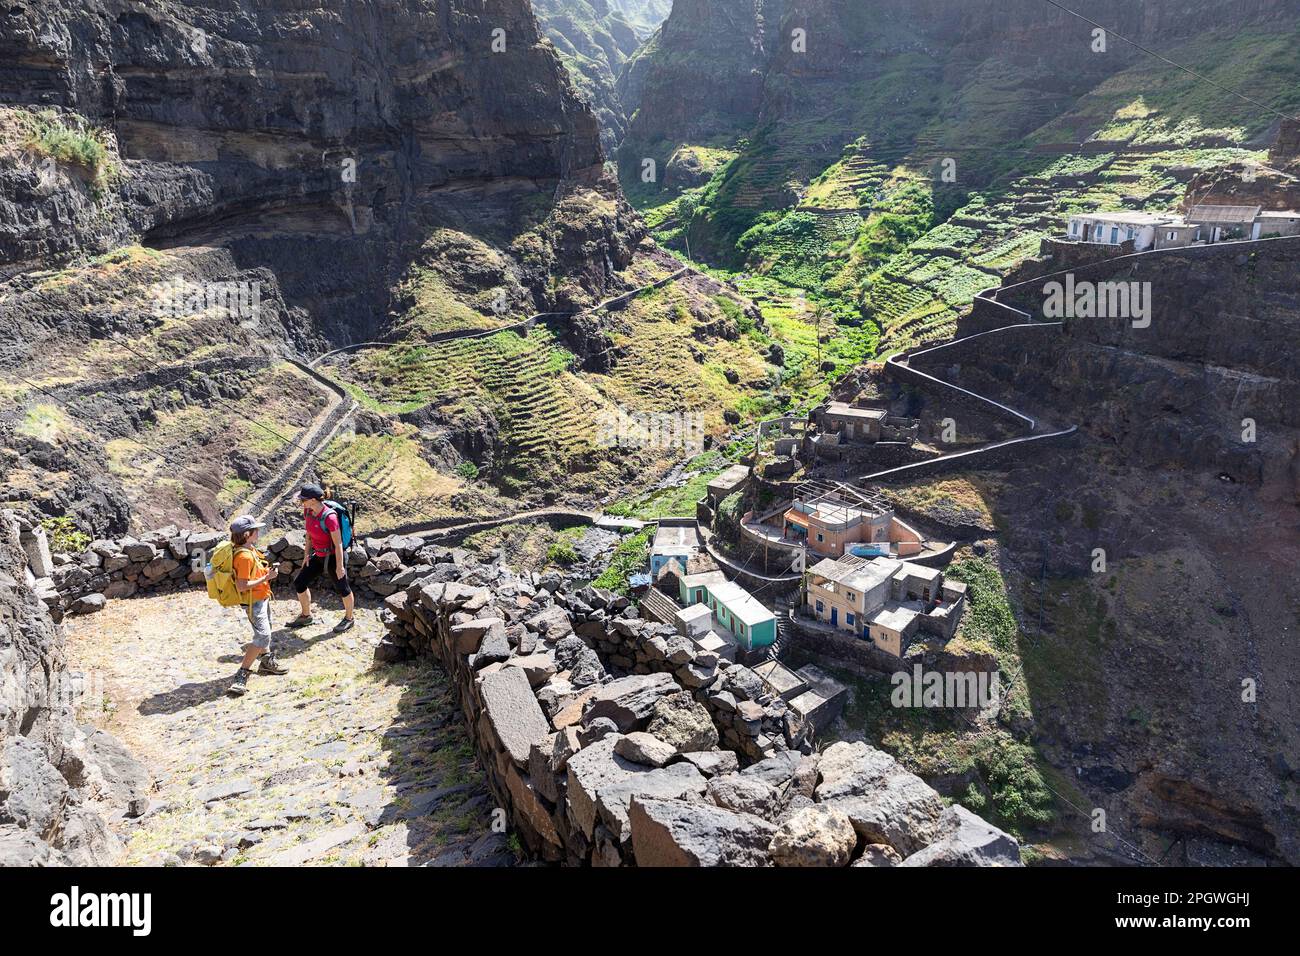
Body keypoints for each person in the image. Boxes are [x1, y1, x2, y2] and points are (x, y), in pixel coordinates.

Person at [227, 515, 289, 697]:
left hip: (261, 597)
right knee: (262, 636)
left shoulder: (248, 549)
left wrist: (266, 574)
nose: (258, 532)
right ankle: (242, 674)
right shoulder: (245, 556)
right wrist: (267, 578)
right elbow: (242, 585)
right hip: (253, 600)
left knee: (266, 630)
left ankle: (267, 662)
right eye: (255, 530)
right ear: (247, 534)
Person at [287, 483, 356, 632]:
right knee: (299, 582)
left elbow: (338, 544)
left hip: (333, 556)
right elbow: (309, 536)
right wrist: (306, 555)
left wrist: (340, 566)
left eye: (303, 500)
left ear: (312, 500)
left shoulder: (330, 517)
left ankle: (349, 619)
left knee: (343, 588)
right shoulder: (308, 512)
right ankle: (306, 616)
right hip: (318, 554)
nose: (301, 503)